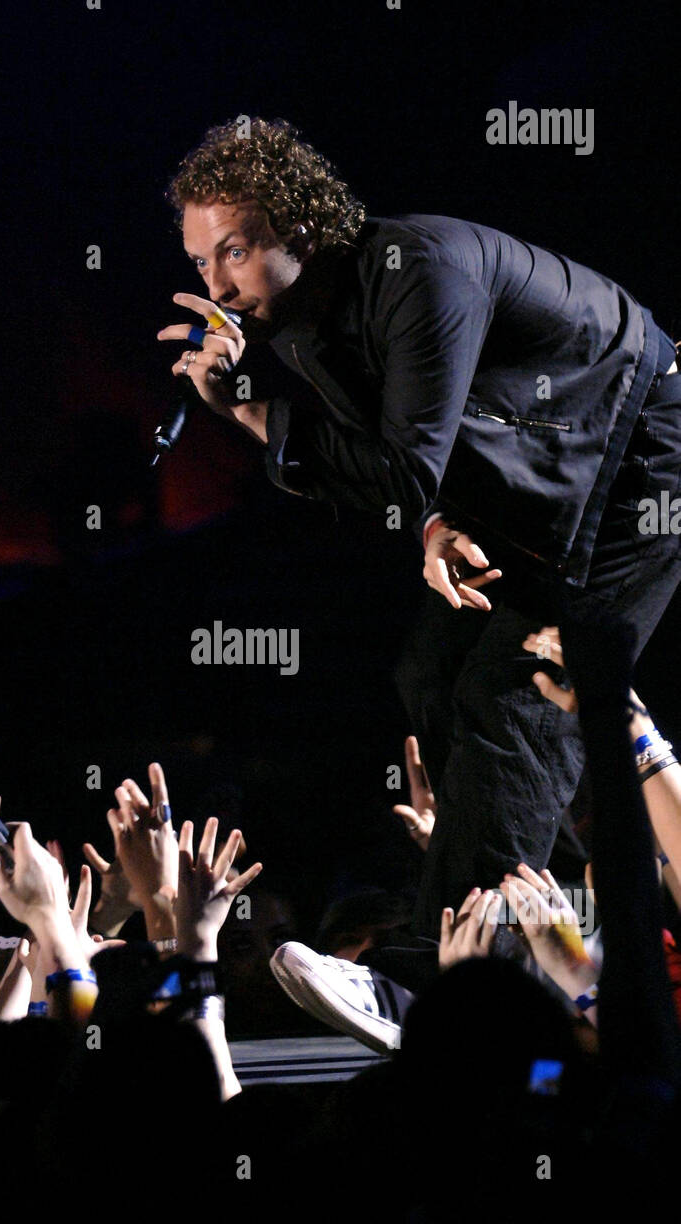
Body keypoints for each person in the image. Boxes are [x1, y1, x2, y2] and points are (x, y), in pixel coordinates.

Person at [160, 115, 681, 955]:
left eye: (233, 250)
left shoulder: (420, 274)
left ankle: (452, 976)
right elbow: (409, 449)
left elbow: (402, 467)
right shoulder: (302, 318)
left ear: (298, 224)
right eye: (198, 261)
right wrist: (439, 523)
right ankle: (572, 947)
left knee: (514, 691)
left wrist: (245, 410)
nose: (216, 285)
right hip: (550, 476)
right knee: (431, 672)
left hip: (636, 457)